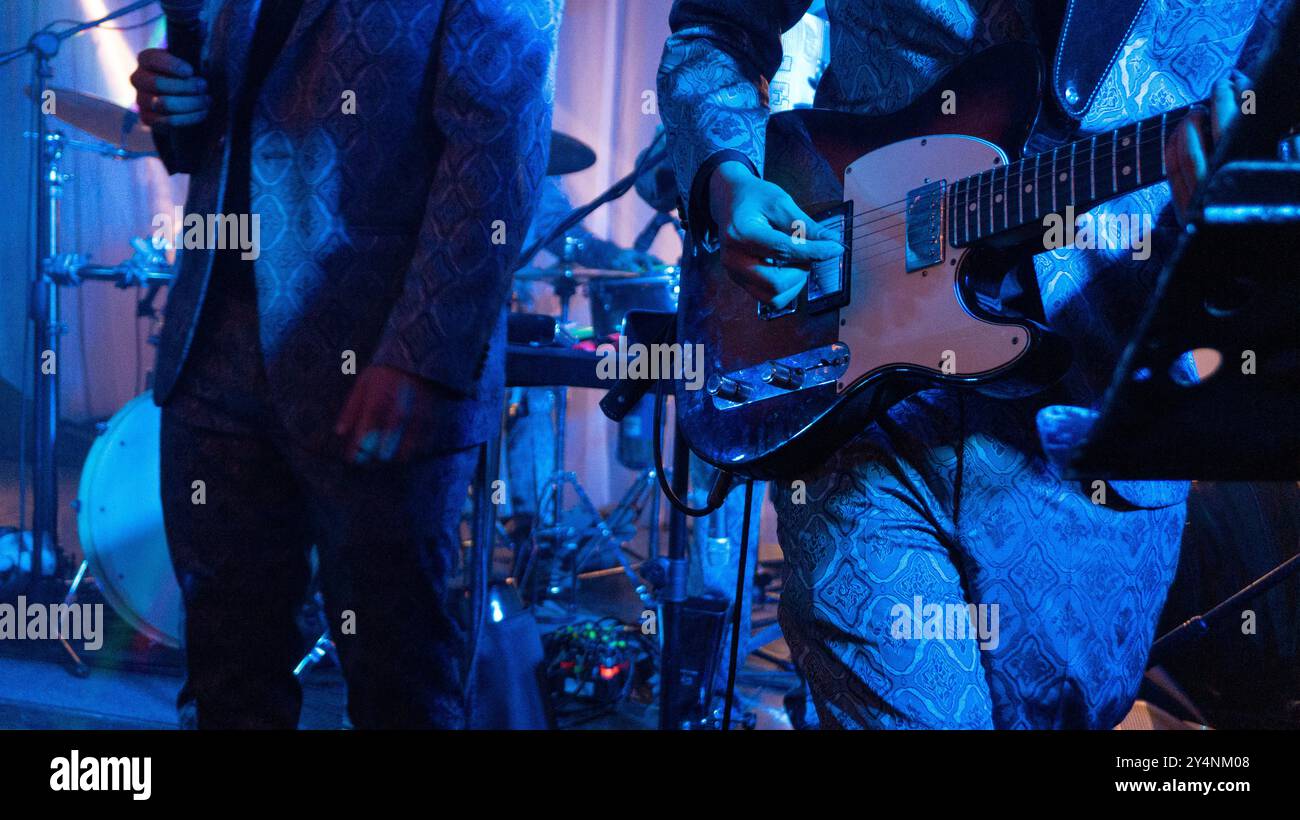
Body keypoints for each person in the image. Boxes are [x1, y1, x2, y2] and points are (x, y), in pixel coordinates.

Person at [657, 0, 1282, 728]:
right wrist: (724, 170)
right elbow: (714, 26)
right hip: (857, 406)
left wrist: (1238, 216)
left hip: (1086, 449)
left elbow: (1267, 209)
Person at [130, 0, 562, 729]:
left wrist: (422, 357)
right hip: (214, 349)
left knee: (399, 680)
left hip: (379, 358)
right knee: (227, 675)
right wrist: (174, 103)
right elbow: (220, 134)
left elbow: (497, 153)